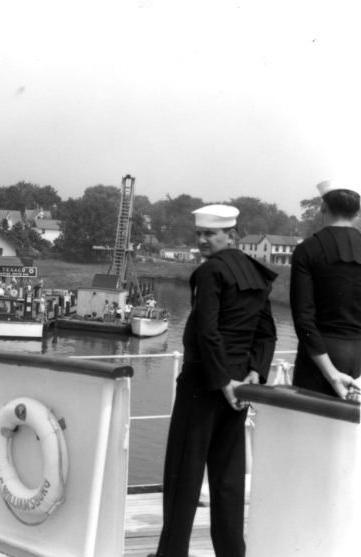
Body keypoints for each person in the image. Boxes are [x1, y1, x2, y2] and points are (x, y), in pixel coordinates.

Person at [152, 204, 277, 557]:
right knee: (227, 479)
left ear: (232, 235)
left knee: (182, 476)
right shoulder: (256, 272)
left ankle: (171, 554)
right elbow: (266, 334)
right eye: (199, 234)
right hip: (238, 387)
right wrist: (253, 374)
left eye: (210, 234)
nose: (202, 240)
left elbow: (207, 332)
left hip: (203, 383)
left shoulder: (210, 272)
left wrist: (223, 383)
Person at [291, 178, 361, 400]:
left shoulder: (307, 250)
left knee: (310, 430)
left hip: (319, 359)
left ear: (322, 207)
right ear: (357, 212)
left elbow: (303, 318)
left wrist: (331, 374)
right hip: (359, 356)